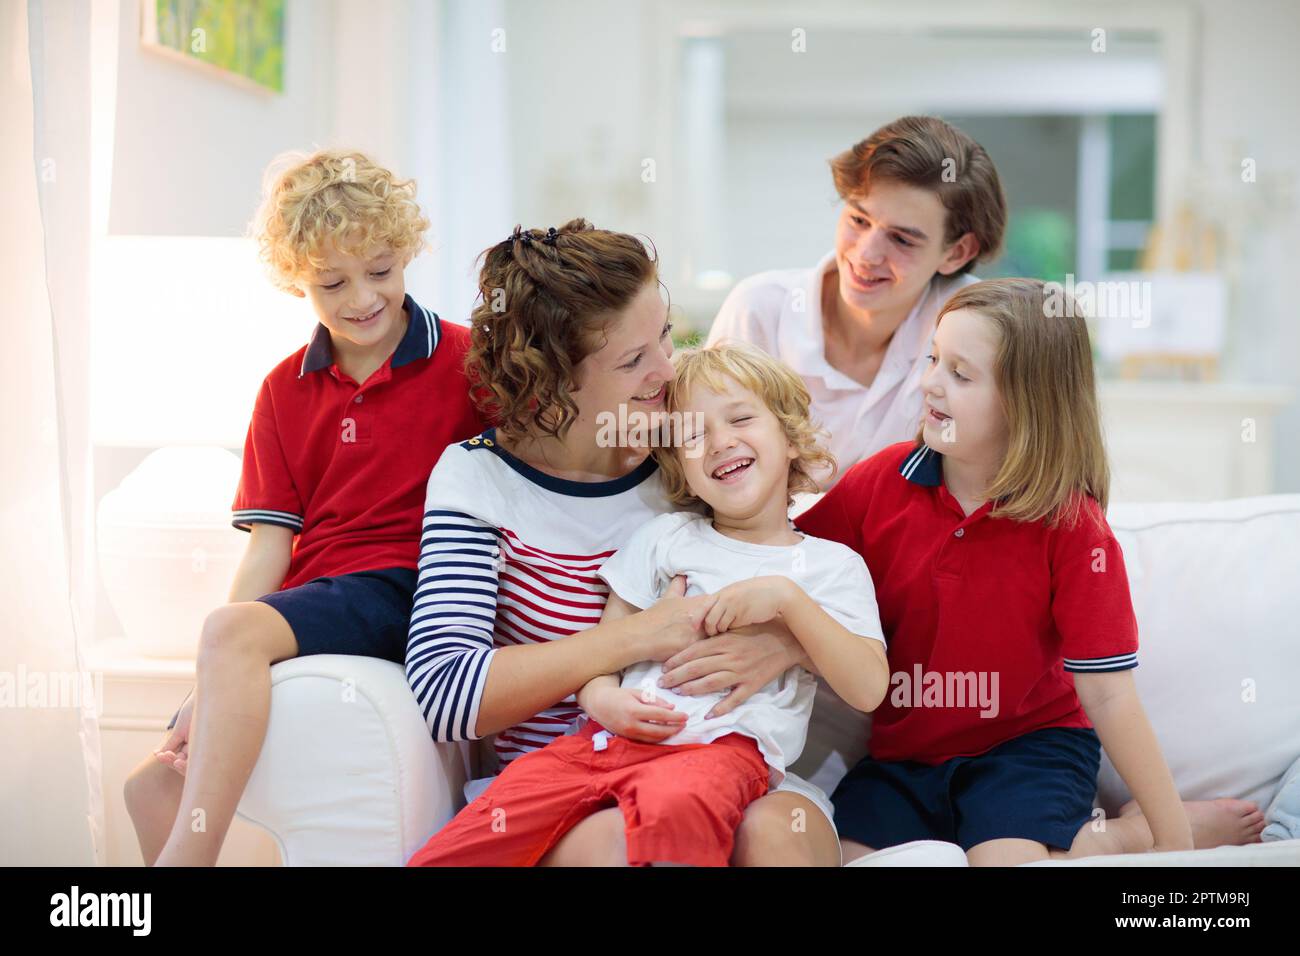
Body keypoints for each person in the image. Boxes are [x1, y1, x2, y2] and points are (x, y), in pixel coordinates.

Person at [404, 220, 845, 866]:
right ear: (550, 385)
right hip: (567, 781)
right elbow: (448, 693)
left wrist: (784, 642)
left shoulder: (692, 455)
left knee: (778, 833)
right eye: (633, 361)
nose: (668, 371)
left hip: (730, 757)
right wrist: (635, 638)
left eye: (665, 336)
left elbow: (808, 562)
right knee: (625, 842)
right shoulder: (480, 480)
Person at [794, 277, 1267, 864]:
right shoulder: (880, 482)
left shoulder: (1074, 529)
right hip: (903, 757)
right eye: (933, 359)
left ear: (1027, 402)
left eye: (961, 375)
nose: (930, 383)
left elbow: (1110, 693)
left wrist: (1170, 845)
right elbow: (792, 560)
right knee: (848, 857)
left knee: (1007, 862)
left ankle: (1127, 832)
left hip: (1029, 750)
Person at [122, 149, 486, 866]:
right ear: (298, 282)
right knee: (146, 790)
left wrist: (230, 642)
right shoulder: (282, 389)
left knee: (230, 633)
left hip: (410, 586)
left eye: (379, 271)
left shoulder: (469, 363)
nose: (361, 299)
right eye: (332, 282)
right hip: (312, 601)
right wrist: (211, 680)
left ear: (406, 253)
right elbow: (268, 547)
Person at [708, 115, 1007, 488]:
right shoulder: (759, 311)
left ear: (957, 252)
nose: (866, 255)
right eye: (859, 220)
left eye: (902, 240)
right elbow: (705, 462)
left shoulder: (974, 327)